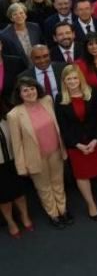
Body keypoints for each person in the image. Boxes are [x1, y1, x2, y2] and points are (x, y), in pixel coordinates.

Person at [6, 77, 70, 228]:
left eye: (32, 88)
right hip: (35, 158)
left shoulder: (47, 100)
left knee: (58, 182)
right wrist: (21, 167)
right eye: (25, 90)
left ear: (37, 88)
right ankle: (53, 214)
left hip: (55, 151)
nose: (29, 92)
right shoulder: (14, 115)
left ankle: (63, 210)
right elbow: (17, 144)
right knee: (44, 187)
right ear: (19, 94)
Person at [53, 64, 97, 221]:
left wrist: (95, 139)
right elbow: (62, 126)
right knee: (82, 174)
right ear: (64, 81)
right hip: (77, 145)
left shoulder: (92, 92)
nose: (72, 81)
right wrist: (77, 144)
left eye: (75, 78)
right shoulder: (60, 98)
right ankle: (91, 204)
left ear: (80, 78)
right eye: (68, 79)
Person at [0, 95, 33, 237]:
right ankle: (11, 222)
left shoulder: (8, 115)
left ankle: (24, 216)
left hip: (14, 161)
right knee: (4, 198)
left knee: (19, 193)